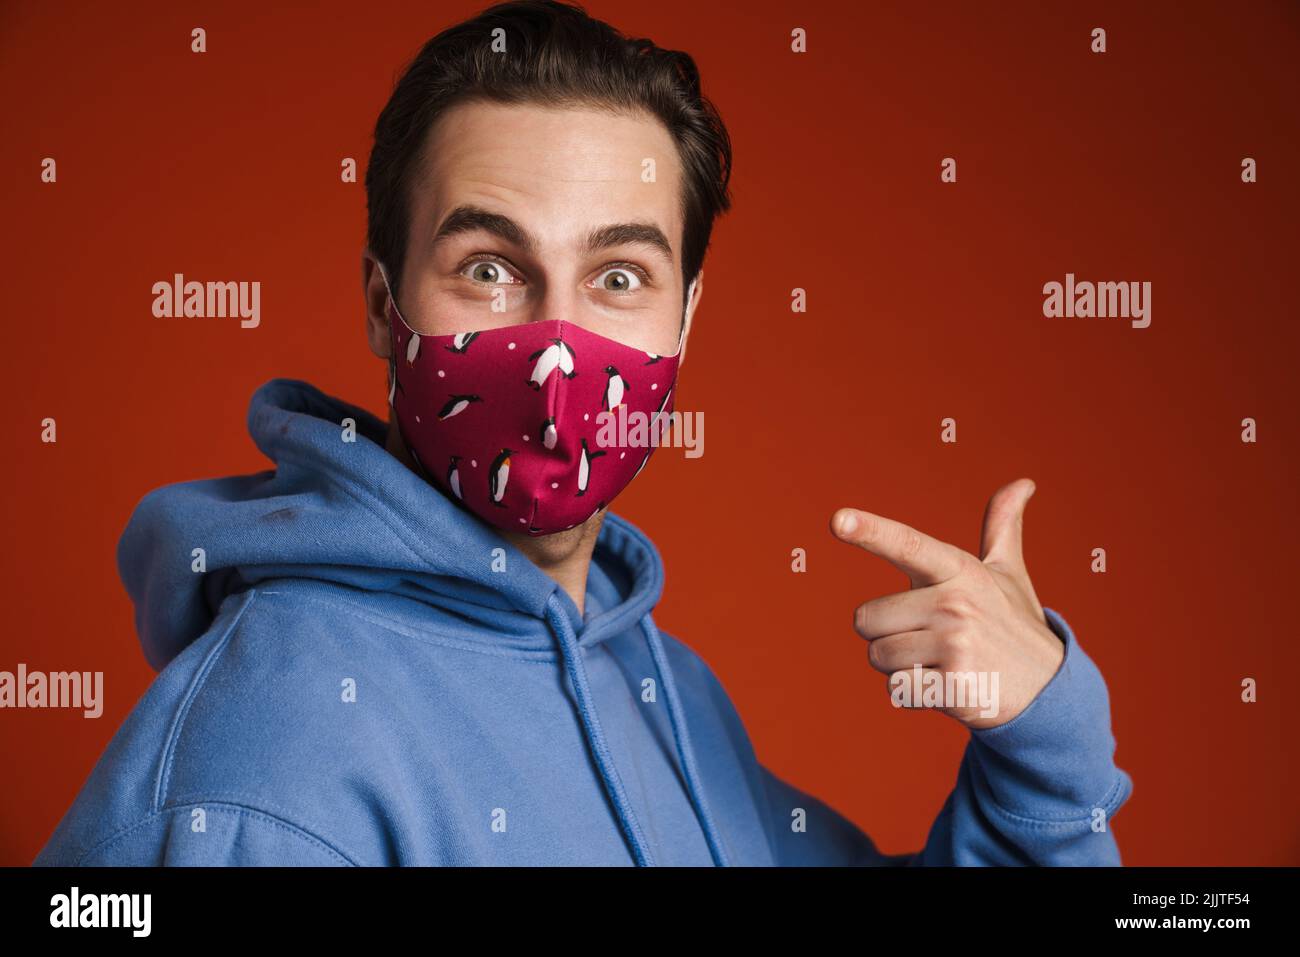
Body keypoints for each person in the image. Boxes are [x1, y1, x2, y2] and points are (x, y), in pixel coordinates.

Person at [34, 0, 1131, 867]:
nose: (556, 348)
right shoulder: (259, 774)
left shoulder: (661, 685)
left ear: (685, 316)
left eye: (616, 276)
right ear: (383, 302)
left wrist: (1042, 738)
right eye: (490, 269)